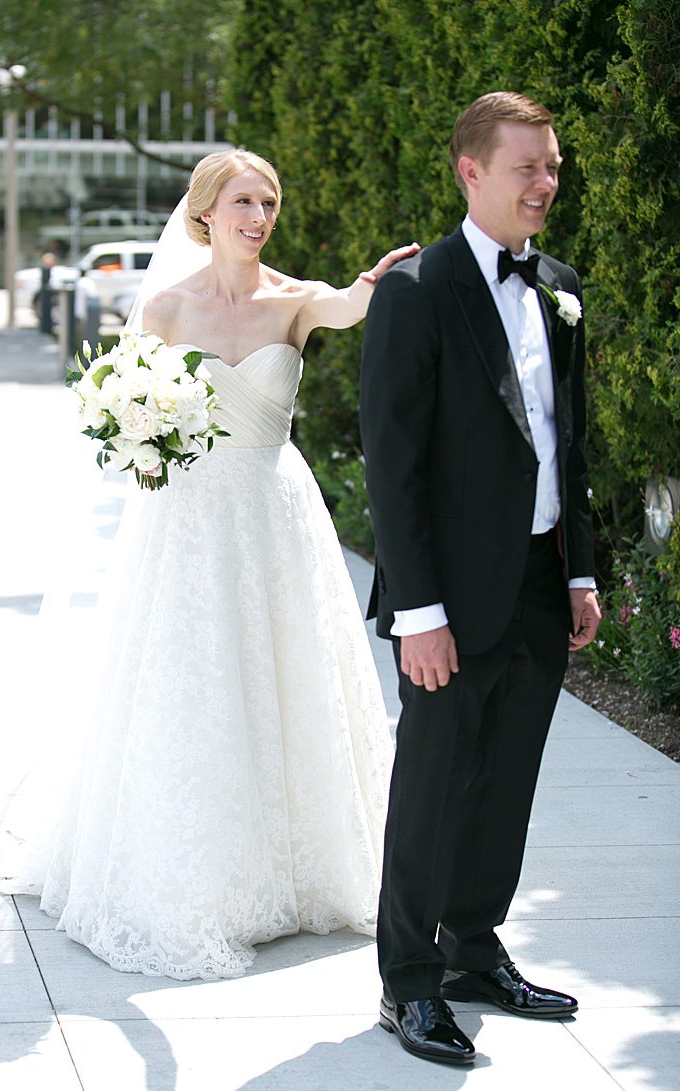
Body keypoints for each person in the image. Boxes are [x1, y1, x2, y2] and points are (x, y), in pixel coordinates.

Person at [6, 149, 414, 980]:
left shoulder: (294, 300)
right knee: (195, 687)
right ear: (206, 213)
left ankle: (298, 870)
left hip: (274, 509)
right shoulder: (163, 308)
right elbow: (119, 416)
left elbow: (347, 305)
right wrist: (144, 445)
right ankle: (201, 875)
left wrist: (375, 282)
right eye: (243, 201)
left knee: (285, 679)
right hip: (188, 521)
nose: (258, 216)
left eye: (269, 201)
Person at [361, 91, 599, 1067]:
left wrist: (579, 569)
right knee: (431, 787)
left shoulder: (558, 286)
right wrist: (416, 611)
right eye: (526, 168)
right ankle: (405, 981)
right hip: (448, 600)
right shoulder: (416, 291)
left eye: (550, 165)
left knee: (504, 783)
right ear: (470, 171)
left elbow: (566, 443)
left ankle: (468, 947)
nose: (545, 182)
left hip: (540, 583)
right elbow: (392, 462)